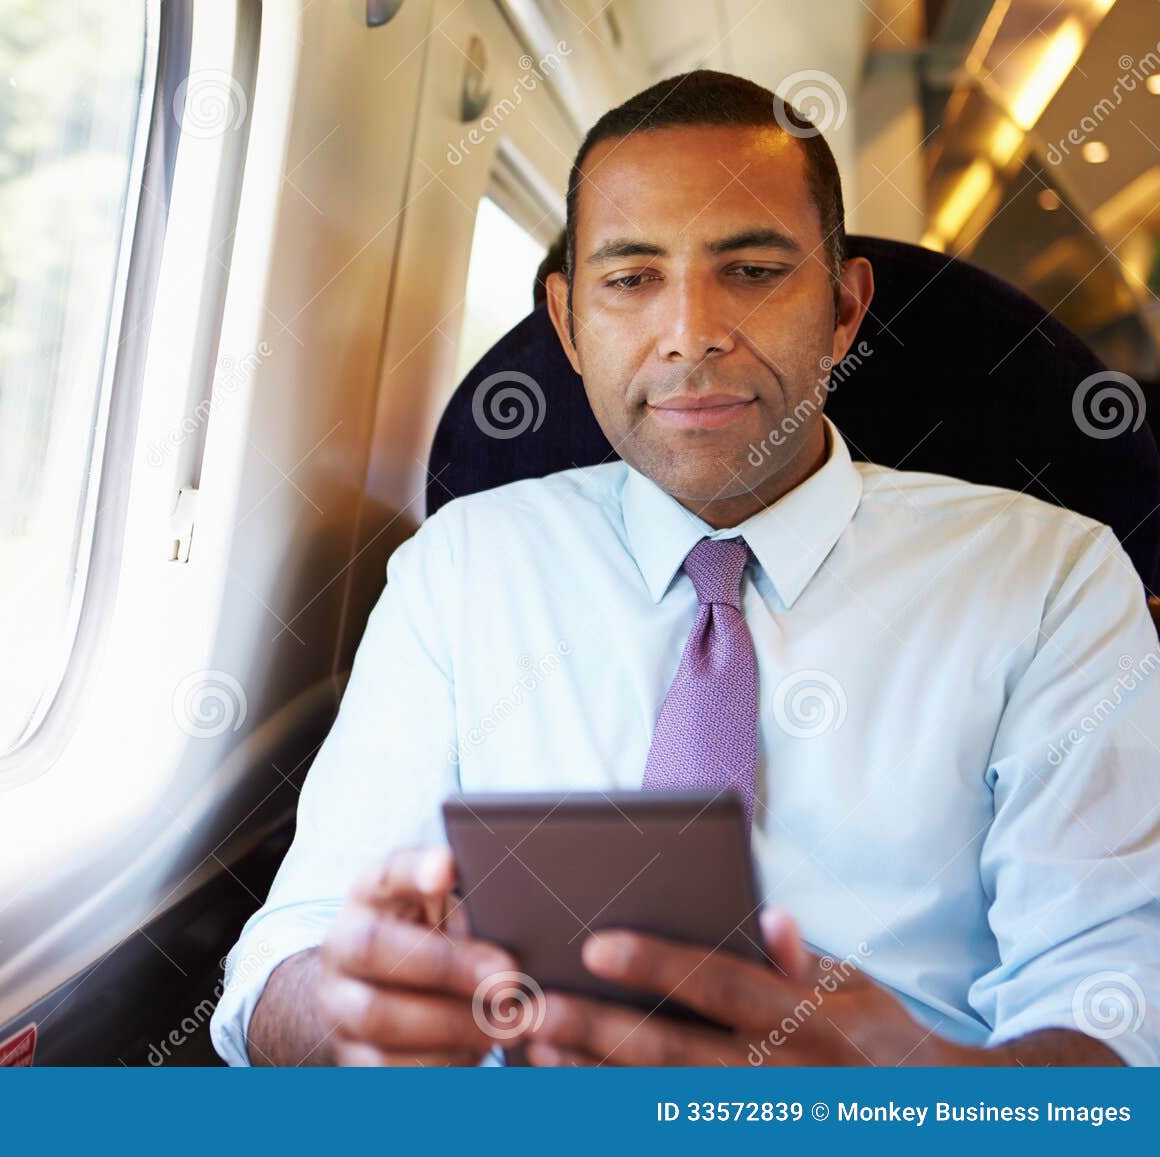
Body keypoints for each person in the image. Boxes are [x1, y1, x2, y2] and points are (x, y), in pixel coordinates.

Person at [211, 70, 1160, 1067]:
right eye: (629, 279)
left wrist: (926, 1091)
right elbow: (291, 955)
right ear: (570, 325)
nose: (691, 332)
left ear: (842, 310)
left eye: (751, 271)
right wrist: (352, 1008)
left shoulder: (1052, 578)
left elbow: (1116, 1005)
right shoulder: (461, 565)